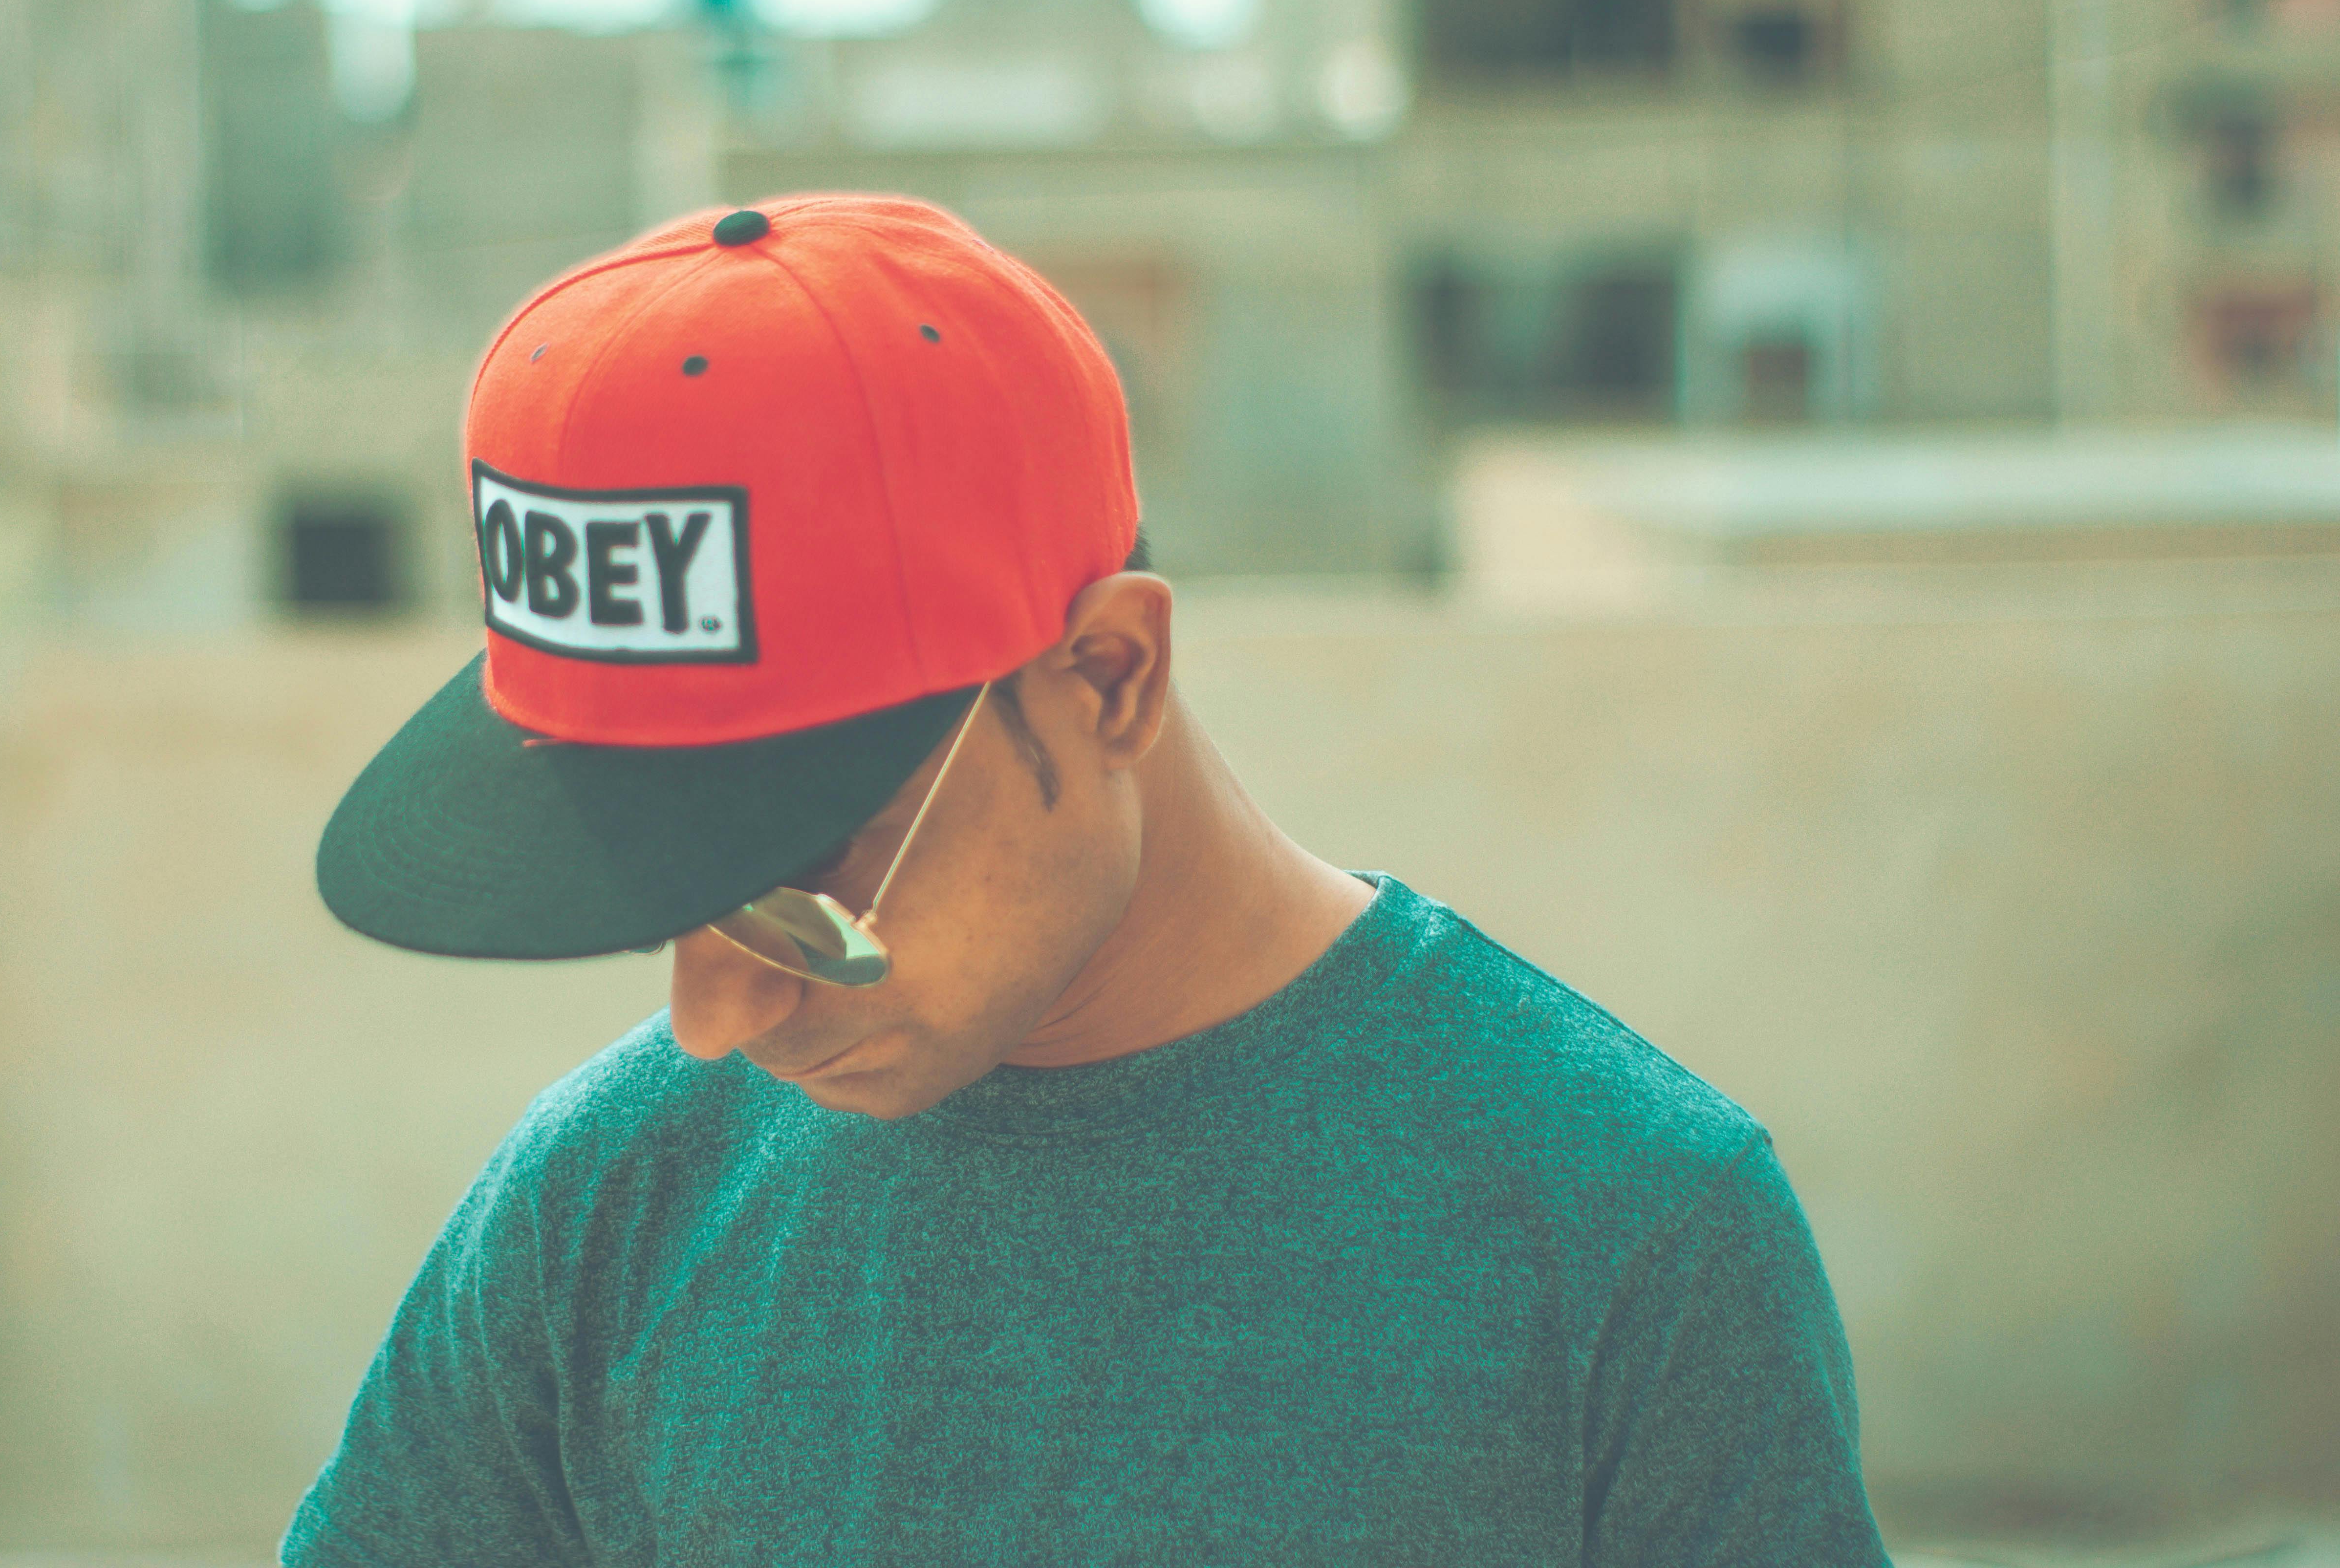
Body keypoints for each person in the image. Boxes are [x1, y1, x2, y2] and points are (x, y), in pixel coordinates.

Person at [289, 194, 1890, 1566]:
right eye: (652, 887)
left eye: (795, 875)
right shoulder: (600, 1205)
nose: (715, 1017)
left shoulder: (1627, 1232)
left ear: (1111, 674)